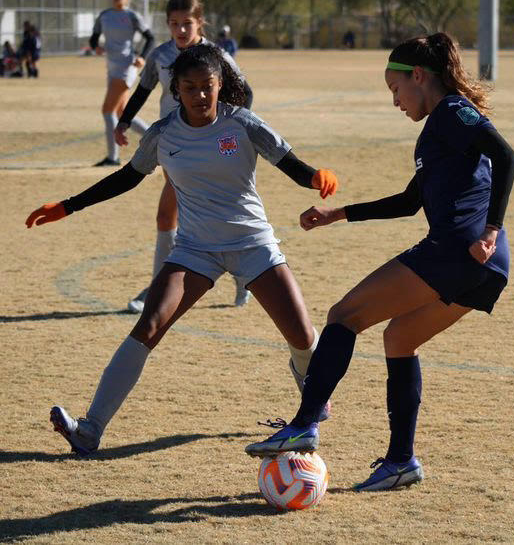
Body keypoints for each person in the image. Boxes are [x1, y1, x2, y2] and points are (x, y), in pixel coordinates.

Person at [26, 44, 339, 456]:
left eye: (207, 86)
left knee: (301, 336)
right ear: (176, 91)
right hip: (195, 250)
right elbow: (126, 178)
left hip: (252, 244)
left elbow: (291, 164)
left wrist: (317, 176)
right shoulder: (162, 134)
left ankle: (309, 394)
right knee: (149, 326)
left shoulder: (243, 124)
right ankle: (89, 431)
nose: (200, 95)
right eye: (189, 88)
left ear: (220, 85)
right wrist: (68, 205)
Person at [244, 32, 514, 492]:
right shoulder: (438, 130)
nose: (394, 101)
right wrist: (339, 214)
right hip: (485, 266)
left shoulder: (451, 111)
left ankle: (305, 423)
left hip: (460, 248)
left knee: (343, 317)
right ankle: (400, 462)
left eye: (395, 89)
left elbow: (506, 155)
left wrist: (490, 228)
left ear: (418, 76)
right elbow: (410, 202)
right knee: (399, 338)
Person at [115, 0, 254, 313]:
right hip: (174, 144)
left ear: (200, 23)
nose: (180, 31)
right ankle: (160, 287)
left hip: (209, 145)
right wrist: (123, 121)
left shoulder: (215, 55)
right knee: (171, 216)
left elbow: (245, 93)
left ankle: (239, 274)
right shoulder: (160, 55)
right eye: (174, 24)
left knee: (205, 216)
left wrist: (231, 128)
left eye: (187, 24)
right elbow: (144, 89)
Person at [89, 0, 155, 167]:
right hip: (111, 68)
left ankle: (113, 157)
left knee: (107, 111)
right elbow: (94, 37)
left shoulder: (132, 16)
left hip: (126, 68)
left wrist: (142, 56)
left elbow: (151, 37)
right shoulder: (104, 16)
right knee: (121, 113)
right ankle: (158, 139)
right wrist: (96, 46)